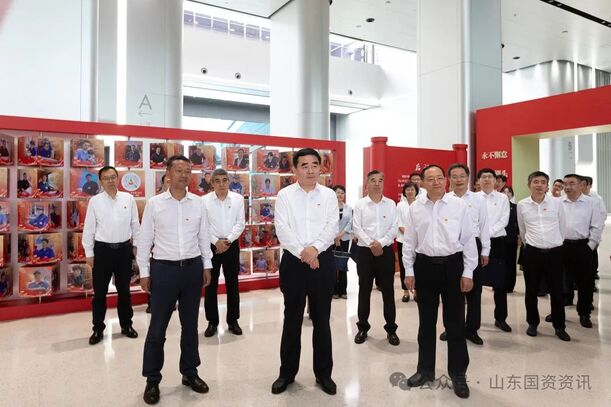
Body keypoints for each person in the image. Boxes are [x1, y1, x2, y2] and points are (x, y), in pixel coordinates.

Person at [138, 155, 213, 405]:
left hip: (192, 270)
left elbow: (204, 237)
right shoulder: (155, 204)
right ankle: (152, 379)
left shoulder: (198, 203)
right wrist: (144, 272)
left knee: (190, 326)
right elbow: (144, 239)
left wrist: (207, 265)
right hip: (164, 270)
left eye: (188, 171)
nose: (184, 175)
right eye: (179, 170)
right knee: (157, 328)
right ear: (168, 174)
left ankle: (190, 372)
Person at [402, 164, 476, 399]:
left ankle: (458, 374)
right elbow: (409, 242)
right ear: (422, 183)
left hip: (453, 266)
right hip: (424, 267)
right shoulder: (415, 208)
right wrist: (409, 270)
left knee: (455, 323)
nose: (435, 182)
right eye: (430, 179)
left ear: (445, 180)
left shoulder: (459, 205)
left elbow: (468, 240)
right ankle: (425, 370)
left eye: (439, 178)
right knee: (426, 323)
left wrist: (468, 272)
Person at [271, 148, 339, 396]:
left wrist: (315, 249)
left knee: (322, 319)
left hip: (323, 261)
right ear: (295, 170)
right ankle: (287, 373)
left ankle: (324, 374)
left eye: (314, 165)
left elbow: (332, 225)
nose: (310, 170)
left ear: (321, 167)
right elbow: (282, 228)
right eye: (304, 166)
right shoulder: (285, 195)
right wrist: (304, 252)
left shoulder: (329, 195)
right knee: (292, 319)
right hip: (294, 262)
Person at [82, 166, 140, 346]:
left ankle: (126, 325)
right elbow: (89, 229)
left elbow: (135, 225)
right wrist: (89, 253)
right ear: (101, 181)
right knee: (100, 293)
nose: (110, 181)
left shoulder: (128, 199)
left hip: (124, 250)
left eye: (113, 177)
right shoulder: (95, 201)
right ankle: (98, 328)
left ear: (118, 178)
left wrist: (137, 248)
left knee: (125, 291)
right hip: (102, 251)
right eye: (106, 178)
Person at [439, 164, 493, 345]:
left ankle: (472, 329)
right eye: (454, 176)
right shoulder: (444, 199)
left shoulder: (478, 200)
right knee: (451, 291)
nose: (459, 180)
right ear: (449, 179)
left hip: (474, 245)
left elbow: (485, 226)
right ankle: (451, 328)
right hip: (452, 247)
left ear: (468, 178)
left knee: (474, 291)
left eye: (462, 176)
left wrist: (485, 250)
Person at [517, 171, 571, 341]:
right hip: (532, 252)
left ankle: (559, 326)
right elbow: (522, 230)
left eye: (542, 182)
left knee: (557, 291)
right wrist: (531, 243)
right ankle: (532, 323)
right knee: (531, 291)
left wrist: (555, 242)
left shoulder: (557, 203)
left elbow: (563, 227)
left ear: (547, 186)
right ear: (529, 185)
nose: (539, 185)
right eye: (535, 181)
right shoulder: (522, 205)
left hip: (555, 252)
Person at [352, 170, 399, 346]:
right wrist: (372, 244)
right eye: (373, 180)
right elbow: (357, 228)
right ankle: (363, 327)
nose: (377, 184)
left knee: (388, 291)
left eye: (380, 180)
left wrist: (381, 243)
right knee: (364, 290)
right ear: (367, 184)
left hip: (385, 252)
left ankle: (391, 329)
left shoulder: (391, 204)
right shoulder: (360, 205)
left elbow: (394, 227)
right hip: (365, 252)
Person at [554, 174, 603, 328]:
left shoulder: (592, 203)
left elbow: (597, 226)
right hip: (561, 246)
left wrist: (590, 246)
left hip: (583, 246)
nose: (567, 187)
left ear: (581, 185)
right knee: (559, 281)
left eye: (572, 183)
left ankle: (584, 313)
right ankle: (557, 312)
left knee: (585, 283)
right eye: (565, 184)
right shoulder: (557, 202)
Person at [202, 169, 246, 337]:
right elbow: (203, 226)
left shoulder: (238, 199)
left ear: (229, 181)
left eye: (224, 180)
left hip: (231, 245)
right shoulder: (204, 201)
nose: (221, 184)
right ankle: (212, 322)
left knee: (232, 284)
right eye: (217, 180)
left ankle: (233, 321)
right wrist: (216, 242)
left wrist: (227, 241)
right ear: (212, 183)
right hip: (211, 246)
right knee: (210, 285)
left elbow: (240, 223)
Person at [474, 168, 512, 338]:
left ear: (496, 180)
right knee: (475, 283)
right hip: (476, 243)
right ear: (478, 181)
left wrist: (486, 233)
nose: (487, 179)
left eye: (490, 177)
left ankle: (500, 318)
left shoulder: (503, 198)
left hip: (497, 242)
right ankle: (473, 322)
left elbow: (503, 220)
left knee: (500, 283)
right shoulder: (473, 198)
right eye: (483, 177)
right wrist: (481, 235)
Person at [582, 176, 606, 289]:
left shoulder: (596, 198)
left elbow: (602, 216)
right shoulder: (571, 197)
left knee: (591, 260)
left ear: (589, 185)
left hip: (591, 235)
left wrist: (596, 237)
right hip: (578, 237)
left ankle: (591, 283)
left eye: (584, 184)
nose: (581, 187)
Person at [397, 182, 419, 302]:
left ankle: (416, 291)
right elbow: (399, 223)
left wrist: (415, 236)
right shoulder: (400, 206)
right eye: (408, 190)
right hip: (403, 240)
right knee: (404, 266)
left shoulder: (420, 204)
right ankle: (405, 292)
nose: (410, 192)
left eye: (412, 189)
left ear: (416, 191)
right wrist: (410, 235)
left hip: (419, 241)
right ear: (404, 192)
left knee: (417, 266)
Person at [332, 185, 352, 299]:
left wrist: (340, 235)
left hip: (344, 238)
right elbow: (328, 223)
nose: (340, 195)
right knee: (333, 265)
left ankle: (343, 291)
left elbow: (350, 223)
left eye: (342, 193)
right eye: (337, 192)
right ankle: (334, 290)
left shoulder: (349, 208)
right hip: (331, 239)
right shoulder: (329, 208)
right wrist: (335, 236)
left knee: (343, 264)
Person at [501, 186, 519, 293]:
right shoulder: (497, 206)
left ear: (512, 194)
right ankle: (498, 284)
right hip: (499, 238)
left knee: (511, 263)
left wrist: (519, 236)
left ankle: (510, 285)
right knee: (500, 263)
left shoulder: (516, 207)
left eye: (509, 192)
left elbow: (519, 223)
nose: (506, 194)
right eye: (504, 192)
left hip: (512, 238)